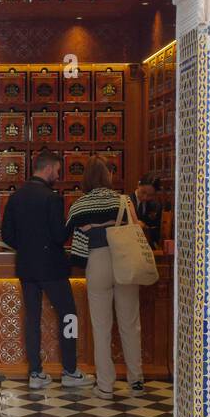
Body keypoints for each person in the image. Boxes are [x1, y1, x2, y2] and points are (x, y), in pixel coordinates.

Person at [0, 148, 91, 390]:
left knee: (32, 319)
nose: (59, 176)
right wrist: (72, 221)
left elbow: (6, 235)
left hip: (27, 267)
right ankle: (70, 370)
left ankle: (35, 373)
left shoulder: (16, 197)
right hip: (52, 268)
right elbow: (59, 236)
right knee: (69, 315)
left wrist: (28, 247)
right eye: (58, 170)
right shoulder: (51, 198)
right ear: (49, 168)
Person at [66, 156, 145, 397]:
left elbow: (70, 230)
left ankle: (105, 385)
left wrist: (94, 229)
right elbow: (136, 228)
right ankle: (136, 380)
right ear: (108, 176)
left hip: (97, 260)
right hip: (124, 261)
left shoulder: (79, 205)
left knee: (101, 327)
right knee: (130, 323)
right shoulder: (123, 200)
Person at [131, 173, 162, 248]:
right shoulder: (126, 201)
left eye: (150, 195)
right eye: (143, 192)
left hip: (147, 246)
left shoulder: (156, 206)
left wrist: (145, 227)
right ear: (138, 185)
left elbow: (157, 232)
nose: (145, 197)